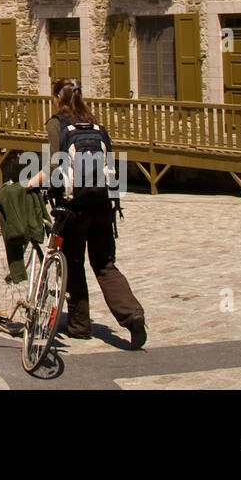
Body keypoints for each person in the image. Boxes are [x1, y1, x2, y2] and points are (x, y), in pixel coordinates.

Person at [28, 78, 146, 349]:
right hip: (104, 206)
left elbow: (56, 163)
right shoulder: (95, 124)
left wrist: (31, 183)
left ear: (58, 96)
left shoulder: (57, 123)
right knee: (105, 265)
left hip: (74, 208)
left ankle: (80, 325)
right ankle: (132, 314)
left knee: (74, 263)